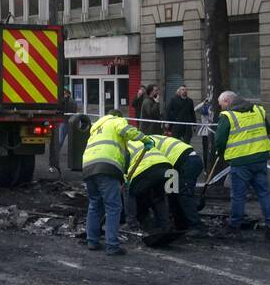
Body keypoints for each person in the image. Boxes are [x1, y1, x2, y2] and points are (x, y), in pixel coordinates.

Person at [82, 108, 149, 256]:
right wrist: (144, 138)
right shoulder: (116, 121)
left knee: (95, 204)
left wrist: (124, 176)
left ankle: (92, 240)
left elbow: (125, 156)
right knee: (113, 206)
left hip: (88, 166)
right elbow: (128, 131)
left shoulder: (97, 128)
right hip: (106, 166)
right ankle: (112, 245)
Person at [216, 90, 270, 240]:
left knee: (238, 195)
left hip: (240, 161)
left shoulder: (228, 116)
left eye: (221, 105)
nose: (221, 108)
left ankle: (234, 226)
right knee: (264, 193)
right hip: (260, 158)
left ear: (227, 102)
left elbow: (220, 139)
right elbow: (268, 129)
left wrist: (220, 152)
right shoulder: (258, 110)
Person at [153, 133, 207, 236]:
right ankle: (180, 224)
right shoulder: (150, 141)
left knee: (184, 195)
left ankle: (197, 227)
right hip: (178, 165)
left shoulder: (146, 146)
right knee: (172, 193)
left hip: (187, 162)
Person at [125, 139, 176, 233]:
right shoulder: (140, 141)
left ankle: (132, 224)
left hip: (146, 168)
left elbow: (124, 171)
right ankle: (165, 225)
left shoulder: (123, 145)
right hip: (167, 167)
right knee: (159, 197)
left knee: (129, 192)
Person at [195, 95, 216, 167]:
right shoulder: (204, 108)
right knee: (205, 149)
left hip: (213, 131)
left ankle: (212, 164)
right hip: (205, 131)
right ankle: (205, 165)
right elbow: (196, 109)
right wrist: (203, 103)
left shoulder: (214, 108)